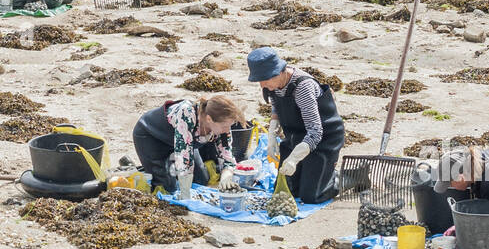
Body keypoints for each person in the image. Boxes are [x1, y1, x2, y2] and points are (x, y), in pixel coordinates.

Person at [246, 47, 345, 204]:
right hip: (296, 138)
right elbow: (277, 106)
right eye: (260, 81)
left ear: (279, 72)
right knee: (287, 191)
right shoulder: (273, 84)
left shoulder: (303, 87)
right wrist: (272, 133)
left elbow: (315, 131)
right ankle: (318, 172)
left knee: (312, 196)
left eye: (265, 80)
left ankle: (345, 177)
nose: (262, 85)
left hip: (324, 140)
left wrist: (294, 159)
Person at [132, 95, 246, 195]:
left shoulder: (222, 125)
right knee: (168, 187)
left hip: (179, 142)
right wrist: (185, 194)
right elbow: (184, 158)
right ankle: (142, 168)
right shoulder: (186, 113)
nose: (227, 129)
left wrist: (226, 176)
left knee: (201, 180)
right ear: (209, 119)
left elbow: (227, 156)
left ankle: (167, 166)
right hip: (151, 137)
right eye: (225, 126)